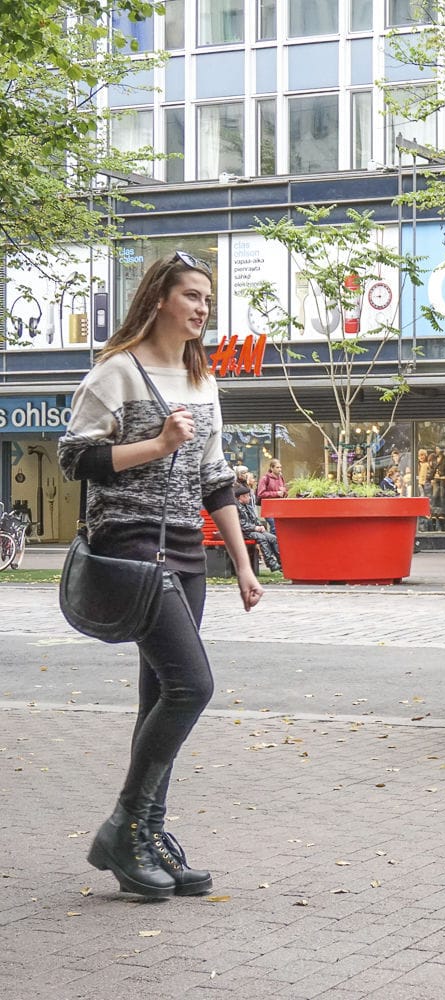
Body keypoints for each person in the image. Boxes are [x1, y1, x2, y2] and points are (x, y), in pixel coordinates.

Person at [57, 251, 263, 900]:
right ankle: (126, 827)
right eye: (191, 296)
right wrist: (156, 445)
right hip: (130, 554)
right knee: (192, 686)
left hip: (184, 560)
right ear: (158, 299)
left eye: (207, 299)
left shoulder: (202, 380)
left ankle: (145, 834)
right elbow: (74, 459)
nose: (202, 309)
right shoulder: (117, 372)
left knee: (160, 695)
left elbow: (216, 477)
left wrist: (242, 562)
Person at [235, 483, 282, 572]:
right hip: (243, 532)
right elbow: (240, 524)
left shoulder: (248, 507)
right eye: (247, 496)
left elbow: (255, 518)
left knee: (273, 538)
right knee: (262, 538)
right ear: (241, 497)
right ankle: (271, 563)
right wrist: (254, 528)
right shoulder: (236, 508)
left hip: (252, 530)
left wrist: (260, 525)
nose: (249, 498)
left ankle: (281, 562)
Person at [256, 458, 286, 531]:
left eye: (280, 467)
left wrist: (284, 492)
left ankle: (276, 542)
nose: (280, 469)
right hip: (269, 508)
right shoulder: (265, 478)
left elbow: (283, 493)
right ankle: (274, 542)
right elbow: (261, 494)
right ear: (271, 468)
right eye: (277, 467)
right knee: (274, 527)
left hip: (279, 507)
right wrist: (277, 493)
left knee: (279, 529)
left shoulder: (281, 478)